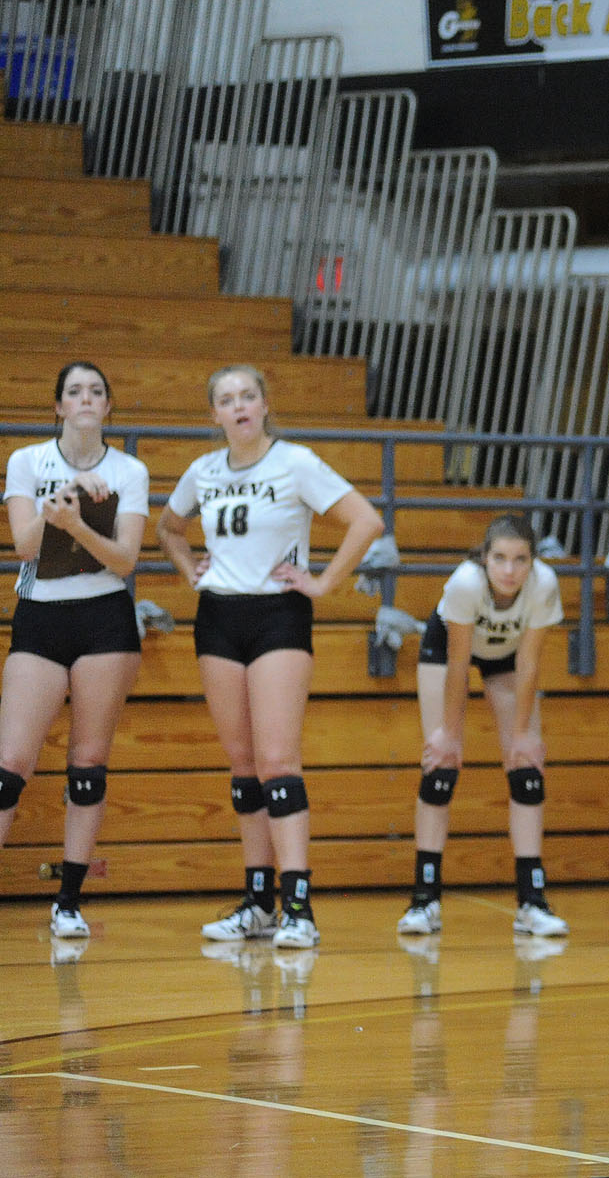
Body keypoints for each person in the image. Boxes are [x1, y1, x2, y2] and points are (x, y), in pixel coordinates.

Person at [158, 364, 383, 950]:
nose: (239, 407)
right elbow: (168, 527)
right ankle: (257, 902)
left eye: (248, 396)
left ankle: (298, 906)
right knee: (242, 763)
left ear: (263, 405)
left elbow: (366, 520)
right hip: (218, 617)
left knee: (278, 758)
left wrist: (325, 582)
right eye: (227, 399)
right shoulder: (203, 471)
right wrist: (189, 569)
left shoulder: (295, 462)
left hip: (278, 615)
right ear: (214, 414)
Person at [0, 362, 149, 939]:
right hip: (40, 616)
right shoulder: (27, 462)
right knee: (10, 765)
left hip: (105, 619)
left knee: (88, 764)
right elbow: (24, 546)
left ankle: (67, 902)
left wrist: (81, 523)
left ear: (108, 407)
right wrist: (63, 500)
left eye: (96, 391)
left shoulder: (129, 469)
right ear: (58, 406)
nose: (85, 399)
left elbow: (126, 559)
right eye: (73, 391)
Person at [396, 513, 569, 939]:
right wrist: (449, 733)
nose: (510, 571)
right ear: (485, 558)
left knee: (527, 771)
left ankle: (531, 902)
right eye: (500, 559)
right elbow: (458, 664)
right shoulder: (465, 584)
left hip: (508, 657)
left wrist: (524, 733)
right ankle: (424, 901)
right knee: (440, 768)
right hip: (449, 649)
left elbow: (529, 664)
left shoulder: (543, 585)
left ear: (533, 561)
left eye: (520, 559)